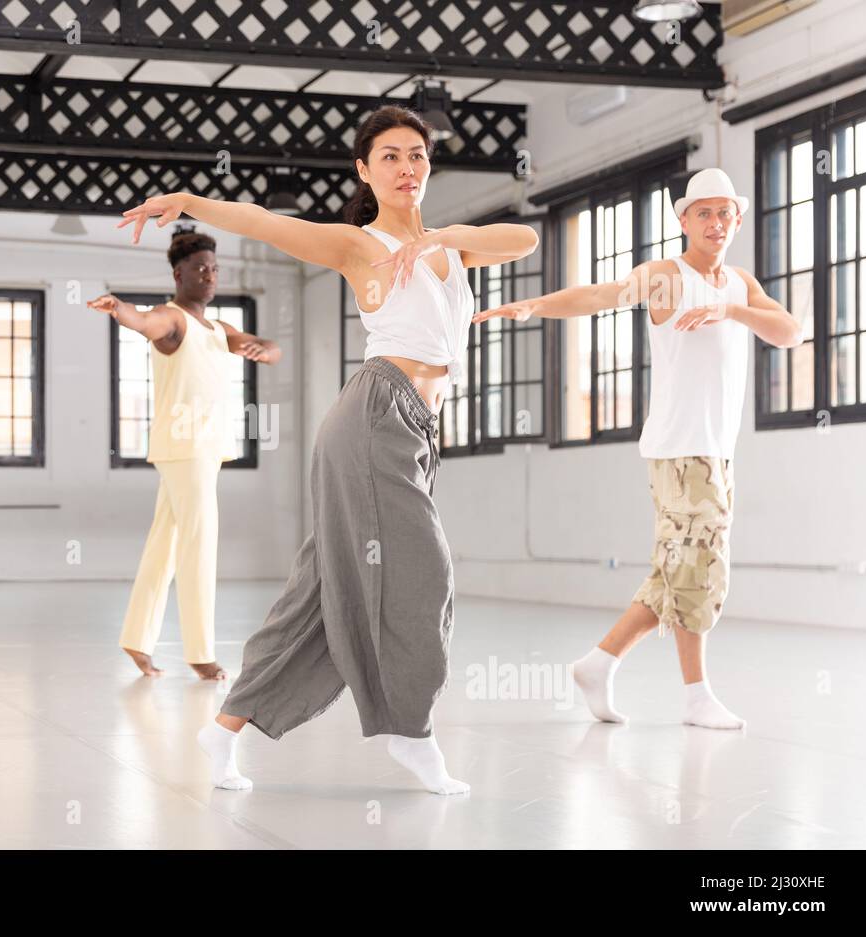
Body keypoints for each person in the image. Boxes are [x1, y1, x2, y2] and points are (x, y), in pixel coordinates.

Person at [118, 105, 538, 792]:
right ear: (365, 171)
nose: (407, 168)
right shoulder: (357, 245)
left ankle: (223, 731)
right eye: (391, 157)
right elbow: (264, 222)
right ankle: (412, 732)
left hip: (413, 431)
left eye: (417, 156)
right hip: (374, 420)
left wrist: (448, 237)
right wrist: (193, 201)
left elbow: (522, 238)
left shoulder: (450, 247)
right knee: (425, 576)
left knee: (319, 597)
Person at [476, 167, 803, 731]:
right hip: (682, 450)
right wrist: (535, 306)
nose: (716, 222)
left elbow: (789, 331)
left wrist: (731, 310)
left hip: (717, 451)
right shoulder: (666, 277)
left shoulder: (740, 285)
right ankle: (696, 694)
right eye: (704, 212)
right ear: (683, 219)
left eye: (726, 212)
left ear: (738, 220)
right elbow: (599, 295)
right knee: (700, 570)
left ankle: (599, 663)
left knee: (676, 567)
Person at [87, 230, 282, 680]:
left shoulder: (218, 329)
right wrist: (120, 309)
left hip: (205, 449)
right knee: (200, 544)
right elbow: (142, 321)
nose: (210, 275)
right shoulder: (171, 319)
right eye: (200, 269)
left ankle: (136, 639)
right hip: (185, 447)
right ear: (179, 274)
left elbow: (271, 348)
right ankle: (201, 653)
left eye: (214, 268)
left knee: (166, 542)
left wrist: (264, 351)